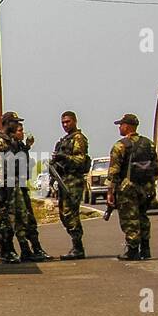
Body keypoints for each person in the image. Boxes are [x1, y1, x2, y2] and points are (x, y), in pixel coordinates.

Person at [0, 112, 51, 263]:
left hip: (18, 185)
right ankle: (6, 251)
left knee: (23, 219)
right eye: (14, 122)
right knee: (6, 220)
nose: (17, 125)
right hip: (6, 187)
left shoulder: (13, 142)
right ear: (7, 123)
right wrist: (1, 191)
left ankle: (27, 250)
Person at [106, 113, 157, 261]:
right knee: (143, 217)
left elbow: (114, 172)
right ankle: (145, 249)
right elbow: (156, 168)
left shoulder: (120, 145)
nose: (119, 128)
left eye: (121, 125)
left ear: (127, 126)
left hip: (128, 189)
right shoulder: (149, 144)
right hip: (146, 187)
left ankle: (132, 249)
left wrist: (110, 192)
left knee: (130, 219)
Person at [50, 110, 91, 260]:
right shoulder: (64, 140)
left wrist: (64, 157)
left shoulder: (78, 138)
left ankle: (78, 247)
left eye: (68, 122)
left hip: (73, 180)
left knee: (70, 213)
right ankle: (76, 246)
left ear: (75, 121)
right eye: (63, 123)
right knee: (64, 213)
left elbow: (80, 160)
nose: (65, 125)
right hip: (64, 179)